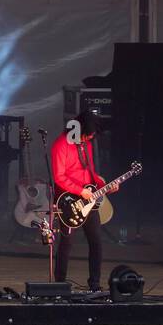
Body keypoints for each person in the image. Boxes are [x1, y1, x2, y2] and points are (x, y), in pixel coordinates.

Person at [50, 110, 119, 291]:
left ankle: (95, 284)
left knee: (96, 241)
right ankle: (59, 284)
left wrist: (103, 183)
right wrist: (79, 190)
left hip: (88, 200)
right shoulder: (61, 145)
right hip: (68, 201)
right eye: (87, 134)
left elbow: (89, 171)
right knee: (66, 243)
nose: (89, 138)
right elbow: (59, 177)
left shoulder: (85, 144)